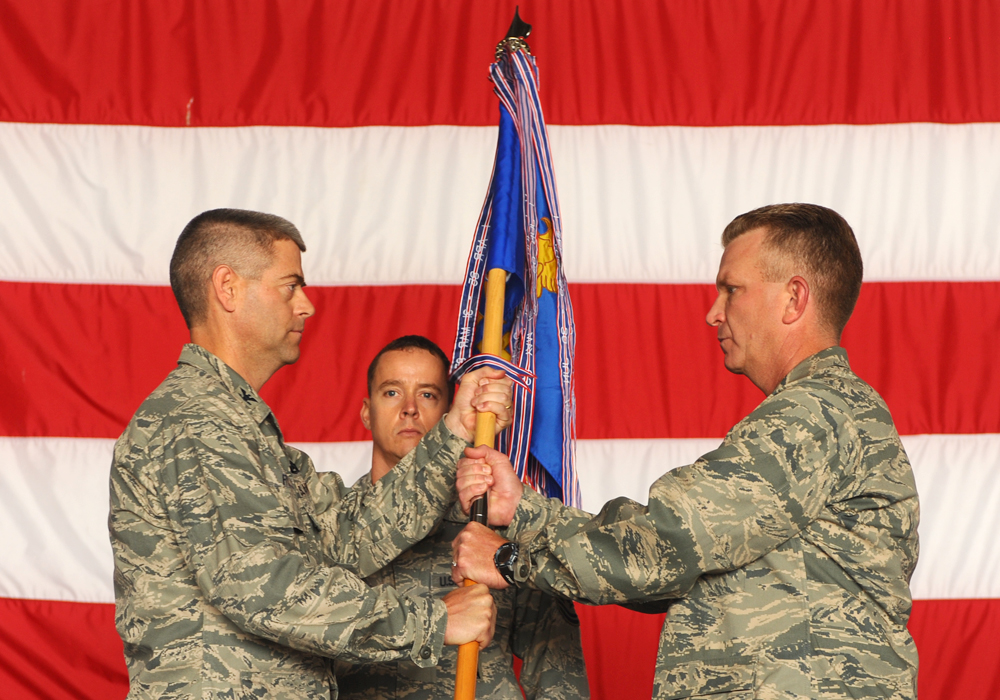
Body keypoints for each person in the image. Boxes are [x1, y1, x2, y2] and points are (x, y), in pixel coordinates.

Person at [451, 203, 920, 699]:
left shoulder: (816, 414)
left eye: (731, 289)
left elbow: (669, 543)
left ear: (793, 299)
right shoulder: (826, 413)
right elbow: (681, 562)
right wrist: (524, 512)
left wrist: (508, 560)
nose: (713, 312)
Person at [109, 208, 513, 699]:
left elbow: (347, 534)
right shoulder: (196, 422)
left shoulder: (243, 429)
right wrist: (431, 619)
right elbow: (264, 588)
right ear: (227, 288)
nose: (307, 306)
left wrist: (454, 428)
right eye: (290, 286)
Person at [333, 336, 590, 700]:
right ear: (365, 411)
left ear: (447, 412)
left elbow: (555, 668)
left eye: (427, 395)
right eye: (392, 393)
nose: (409, 408)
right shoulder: (330, 524)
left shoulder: (490, 523)